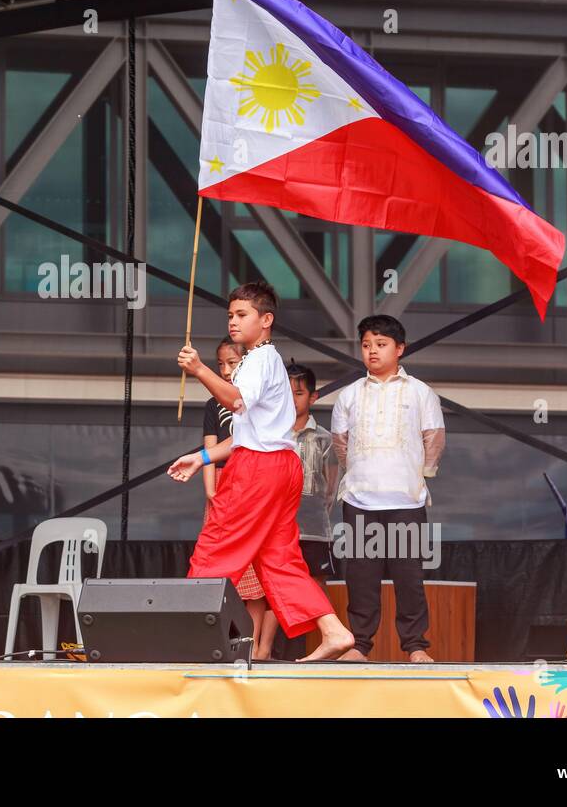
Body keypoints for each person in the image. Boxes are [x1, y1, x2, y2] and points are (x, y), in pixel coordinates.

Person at [169, 280, 354, 661]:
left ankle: (185, 637)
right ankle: (334, 631)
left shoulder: (259, 359)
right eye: (230, 315)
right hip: (280, 464)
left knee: (217, 543)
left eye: (241, 315)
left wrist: (200, 368)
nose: (233, 323)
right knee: (278, 558)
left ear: (265, 319)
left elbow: (235, 402)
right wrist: (201, 458)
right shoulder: (265, 361)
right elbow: (248, 433)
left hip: (259, 469)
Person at [331, 315, 444, 663]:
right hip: (360, 497)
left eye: (380, 345)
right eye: (366, 345)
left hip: (406, 499)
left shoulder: (420, 392)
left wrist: (417, 476)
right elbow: (340, 443)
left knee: (408, 576)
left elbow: (434, 439)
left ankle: (414, 646)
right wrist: (362, 473)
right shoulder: (348, 395)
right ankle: (360, 644)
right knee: (361, 577)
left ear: (400, 349)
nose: (372, 351)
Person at [201, 339, 277, 660]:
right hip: (223, 491)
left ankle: (254, 646)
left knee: (255, 579)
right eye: (221, 364)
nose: (227, 370)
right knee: (220, 575)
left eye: (233, 363)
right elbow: (209, 450)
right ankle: (223, 644)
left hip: (252, 489)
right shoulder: (212, 404)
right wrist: (211, 493)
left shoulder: (255, 401)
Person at [287, 362, 338, 579]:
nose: (292, 399)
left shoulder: (325, 438)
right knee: (277, 591)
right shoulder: (271, 437)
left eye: (299, 393)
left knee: (316, 586)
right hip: (278, 530)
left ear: (313, 397)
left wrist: (316, 515)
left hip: (314, 531)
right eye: (286, 393)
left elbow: (331, 491)